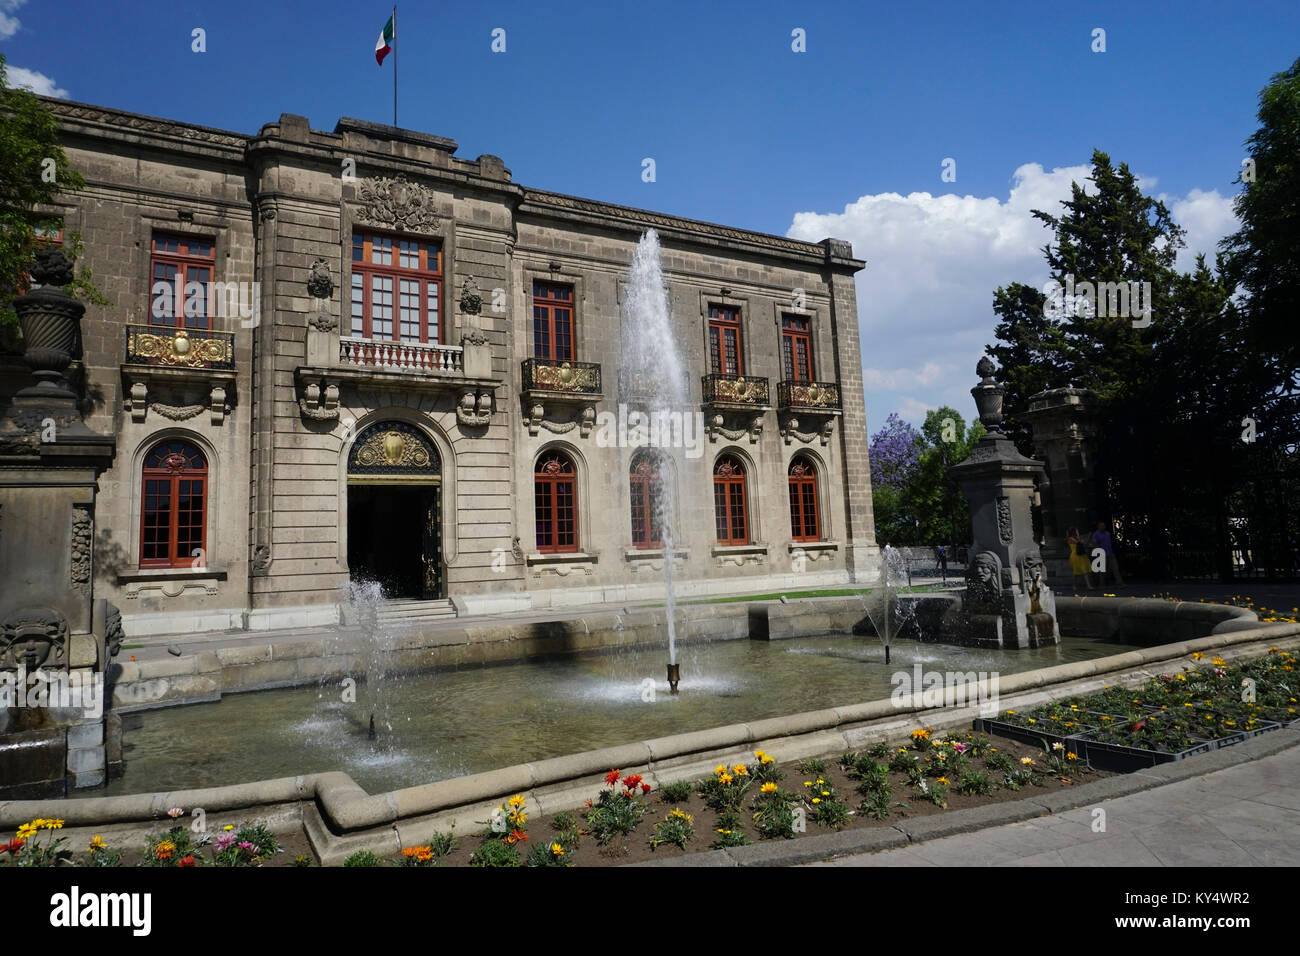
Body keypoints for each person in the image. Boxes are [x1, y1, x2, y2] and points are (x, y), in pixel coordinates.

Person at [1092, 520, 1126, 588]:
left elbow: (1110, 543)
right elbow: (1095, 543)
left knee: (1115, 568)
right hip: (1102, 553)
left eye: (1104, 526)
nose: (1103, 527)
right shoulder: (1096, 534)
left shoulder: (1107, 533)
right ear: (1098, 527)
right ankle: (1102, 584)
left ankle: (1119, 582)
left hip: (1110, 553)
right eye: (1101, 526)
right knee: (1102, 570)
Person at [1066, 526, 1093, 594]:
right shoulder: (1070, 538)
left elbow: (1084, 543)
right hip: (1075, 556)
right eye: (1076, 531)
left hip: (1081, 555)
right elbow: (1079, 542)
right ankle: (1075, 585)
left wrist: (1087, 537)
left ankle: (1087, 586)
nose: (1078, 532)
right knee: (1076, 573)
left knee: (1084, 571)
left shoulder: (1077, 538)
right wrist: (1086, 537)